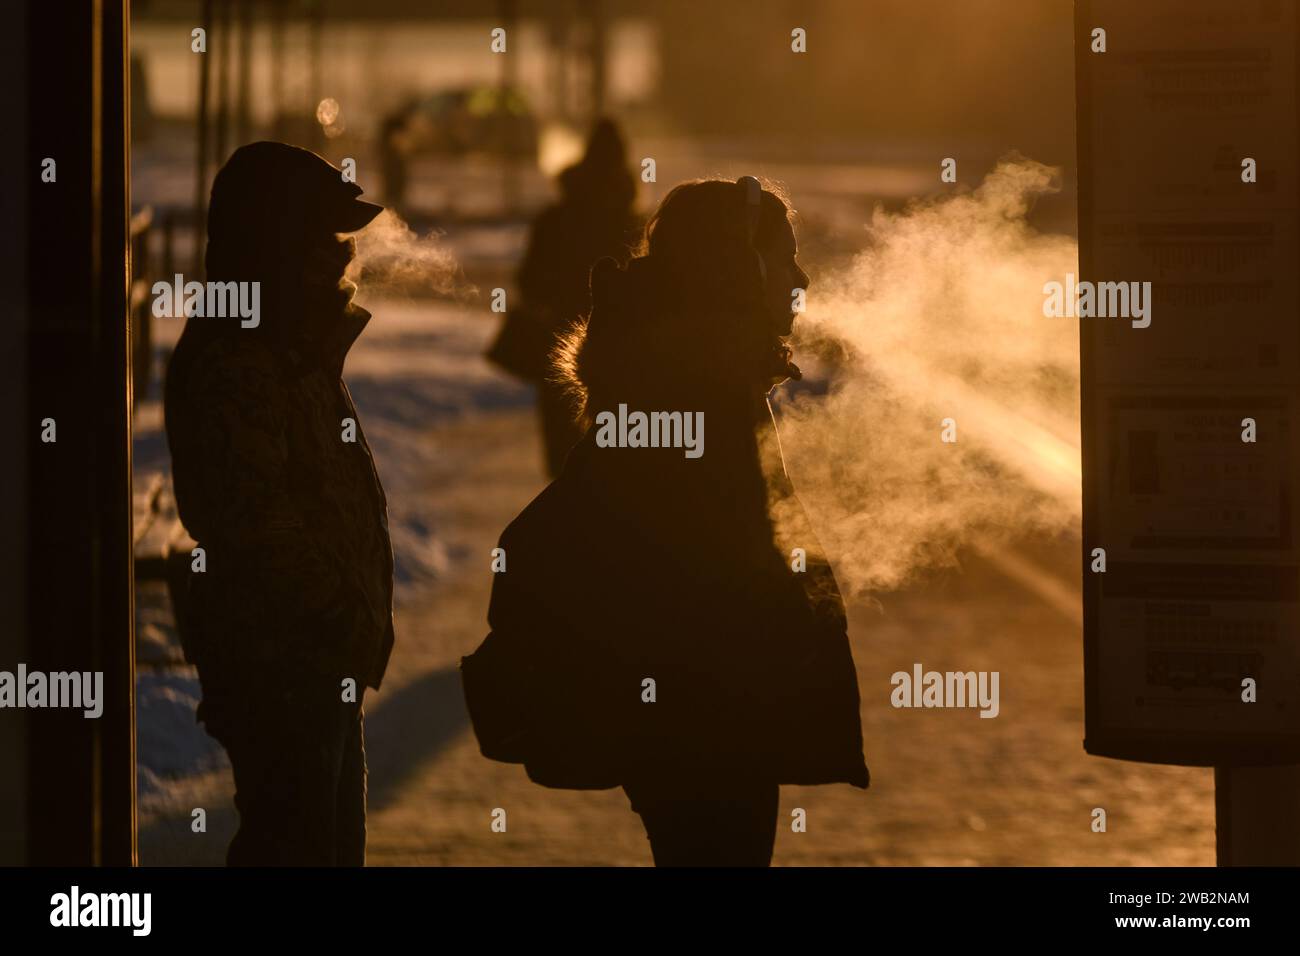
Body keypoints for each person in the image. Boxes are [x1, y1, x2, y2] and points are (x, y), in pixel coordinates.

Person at [462, 177, 870, 867]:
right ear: (739, 266)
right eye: (786, 258)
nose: (802, 277)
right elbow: (707, 566)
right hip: (703, 720)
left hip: (704, 711)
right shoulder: (694, 382)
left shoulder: (697, 369)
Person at [164, 141, 395, 866]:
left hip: (318, 658)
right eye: (323, 239)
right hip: (282, 661)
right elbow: (255, 522)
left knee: (323, 848)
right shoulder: (241, 359)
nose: (343, 258)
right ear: (273, 244)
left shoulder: (288, 343)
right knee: (293, 848)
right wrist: (337, 612)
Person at [487, 118, 640, 477]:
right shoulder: (632, 223)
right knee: (612, 452)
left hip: (557, 346)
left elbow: (528, 280)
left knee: (562, 450)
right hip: (619, 353)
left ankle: (563, 518)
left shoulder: (554, 219)